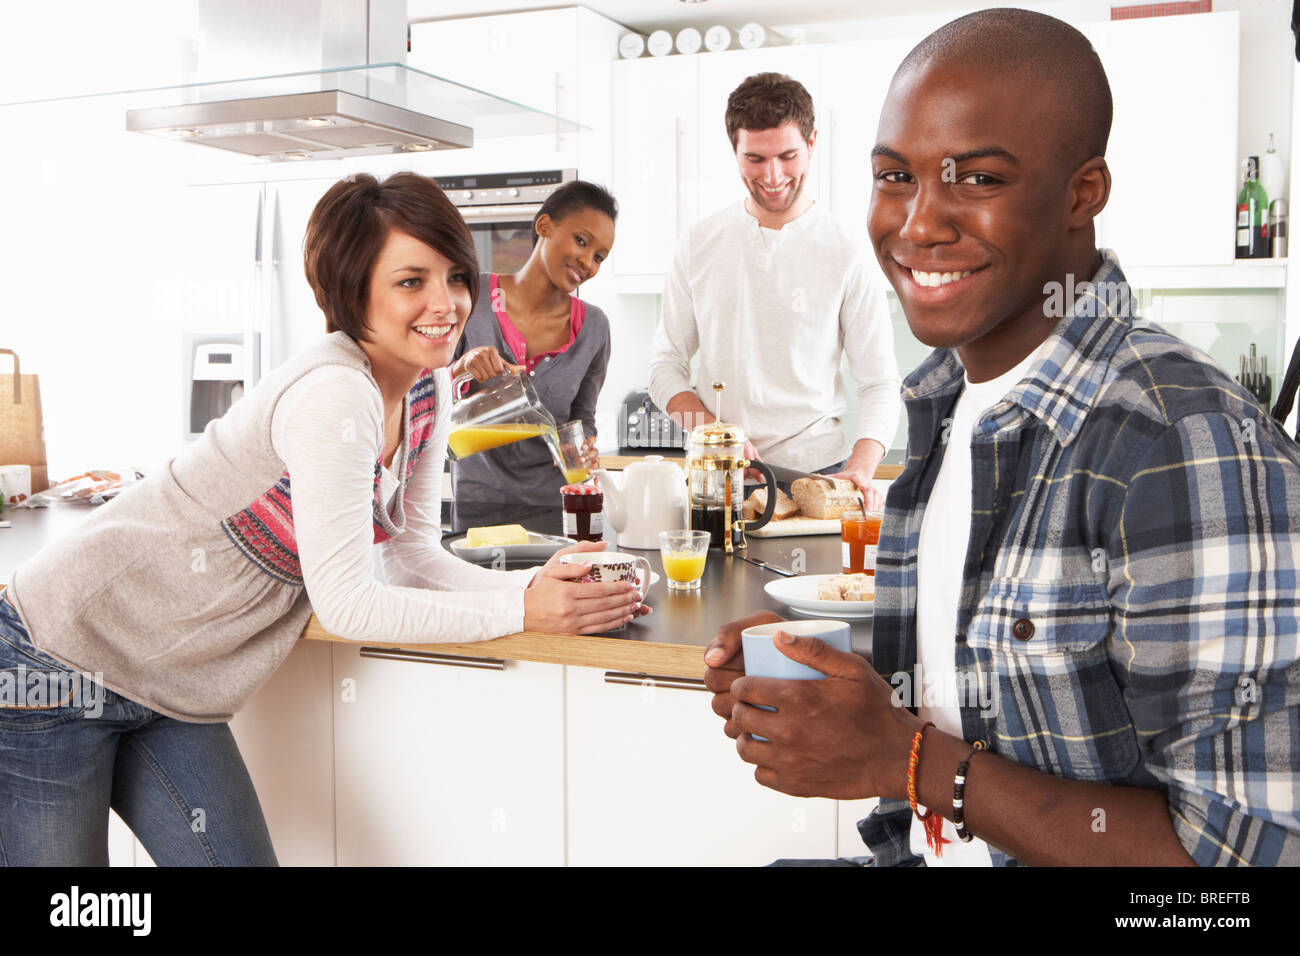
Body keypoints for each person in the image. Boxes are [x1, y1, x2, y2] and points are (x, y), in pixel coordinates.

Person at [703, 9, 1300, 866]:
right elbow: (995, 700)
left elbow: (1236, 875)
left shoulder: (1183, 447)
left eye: (977, 180)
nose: (918, 226)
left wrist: (905, 758)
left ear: (1082, 193)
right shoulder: (952, 407)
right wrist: (857, 698)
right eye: (893, 177)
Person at [0, 171, 645, 866]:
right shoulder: (335, 394)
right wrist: (525, 614)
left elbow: (413, 557)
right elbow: (349, 602)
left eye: (455, 277)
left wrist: (537, 590)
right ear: (350, 289)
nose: (446, 303)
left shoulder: (428, 386)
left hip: (167, 683)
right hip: (56, 658)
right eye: (410, 281)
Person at [647, 72, 901, 507]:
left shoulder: (847, 249)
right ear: (735, 152)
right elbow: (664, 367)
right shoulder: (698, 244)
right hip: (717, 476)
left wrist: (861, 465)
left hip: (816, 478)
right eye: (756, 159)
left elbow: (879, 382)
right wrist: (713, 433)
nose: (773, 175)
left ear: (813, 143)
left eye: (787, 156)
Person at [449, 181, 616, 508]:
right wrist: (461, 368)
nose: (587, 262)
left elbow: (581, 418)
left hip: (555, 509)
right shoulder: (471, 296)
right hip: (478, 508)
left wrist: (583, 446)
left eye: (599, 256)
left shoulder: (594, 328)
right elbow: (420, 393)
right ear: (544, 226)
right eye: (581, 241)